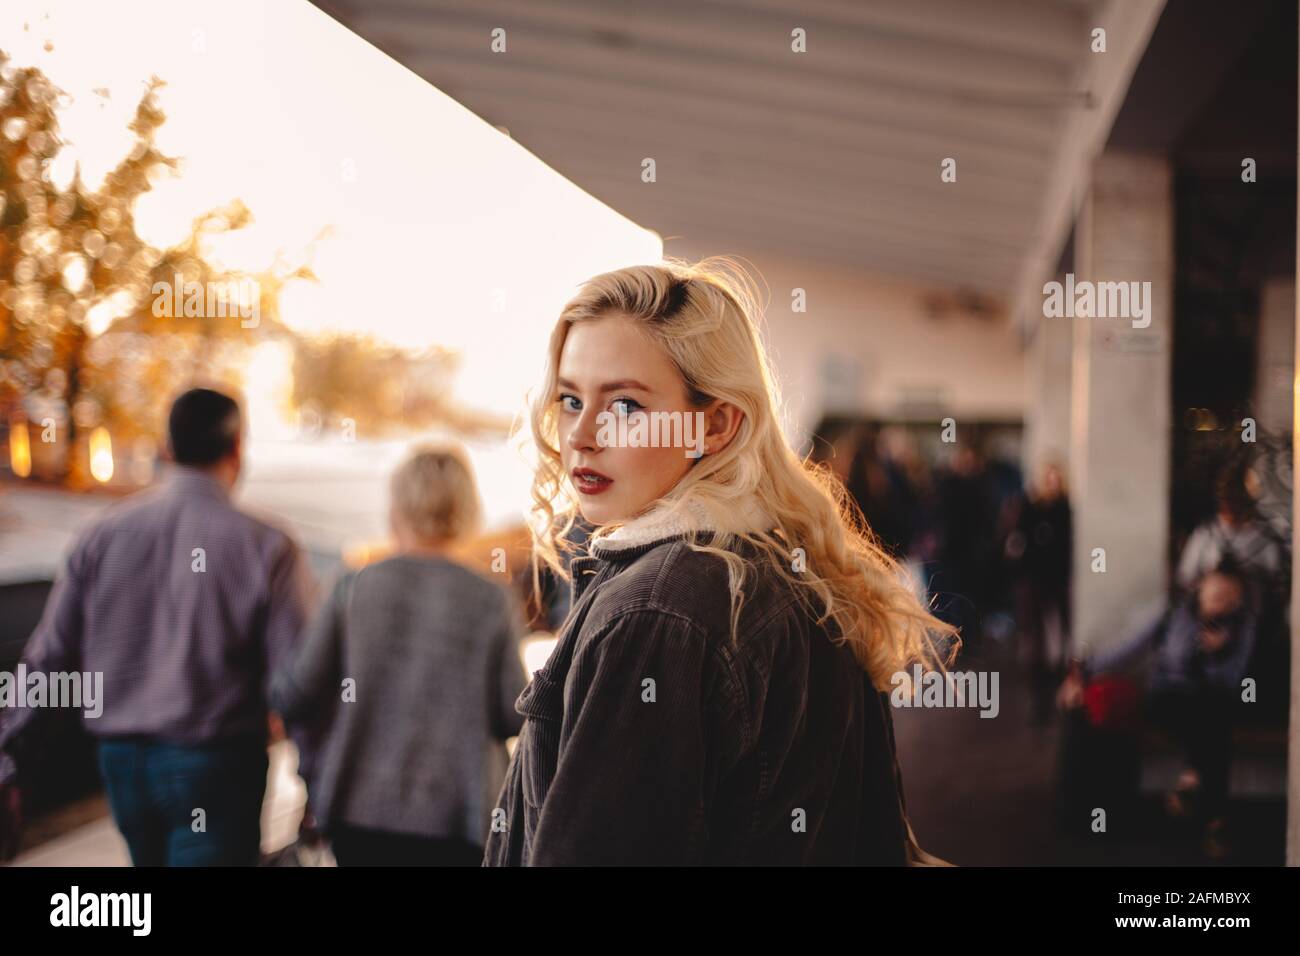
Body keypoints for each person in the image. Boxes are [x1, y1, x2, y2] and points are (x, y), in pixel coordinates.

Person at [483, 258, 957, 866]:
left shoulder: (656, 616)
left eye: (626, 406)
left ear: (714, 425)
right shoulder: (799, 571)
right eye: (571, 399)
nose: (581, 435)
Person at [0, 388, 314, 865]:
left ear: (166, 448)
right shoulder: (267, 546)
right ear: (236, 449)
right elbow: (298, 682)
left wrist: (9, 762)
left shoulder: (102, 535)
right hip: (215, 769)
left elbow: (49, 657)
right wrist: (320, 781)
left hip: (122, 767)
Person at [271, 445, 528, 866]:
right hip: (457, 816)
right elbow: (512, 711)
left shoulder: (353, 587)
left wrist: (314, 769)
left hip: (359, 807)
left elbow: (297, 693)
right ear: (465, 509)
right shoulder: (490, 601)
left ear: (398, 506)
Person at [1057, 562, 1257, 858]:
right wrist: (1084, 671)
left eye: (1229, 596)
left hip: (1214, 699)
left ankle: (1199, 794)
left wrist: (1219, 654)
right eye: (1215, 590)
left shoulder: (1242, 625)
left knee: (1215, 713)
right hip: (1168, 697)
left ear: (1237, 600)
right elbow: (1132, 646)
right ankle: (1210, 812)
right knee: (1212, 726)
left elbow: (1234, 681)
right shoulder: (1175, 612)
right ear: (1201, 587)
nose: (1220, 600)